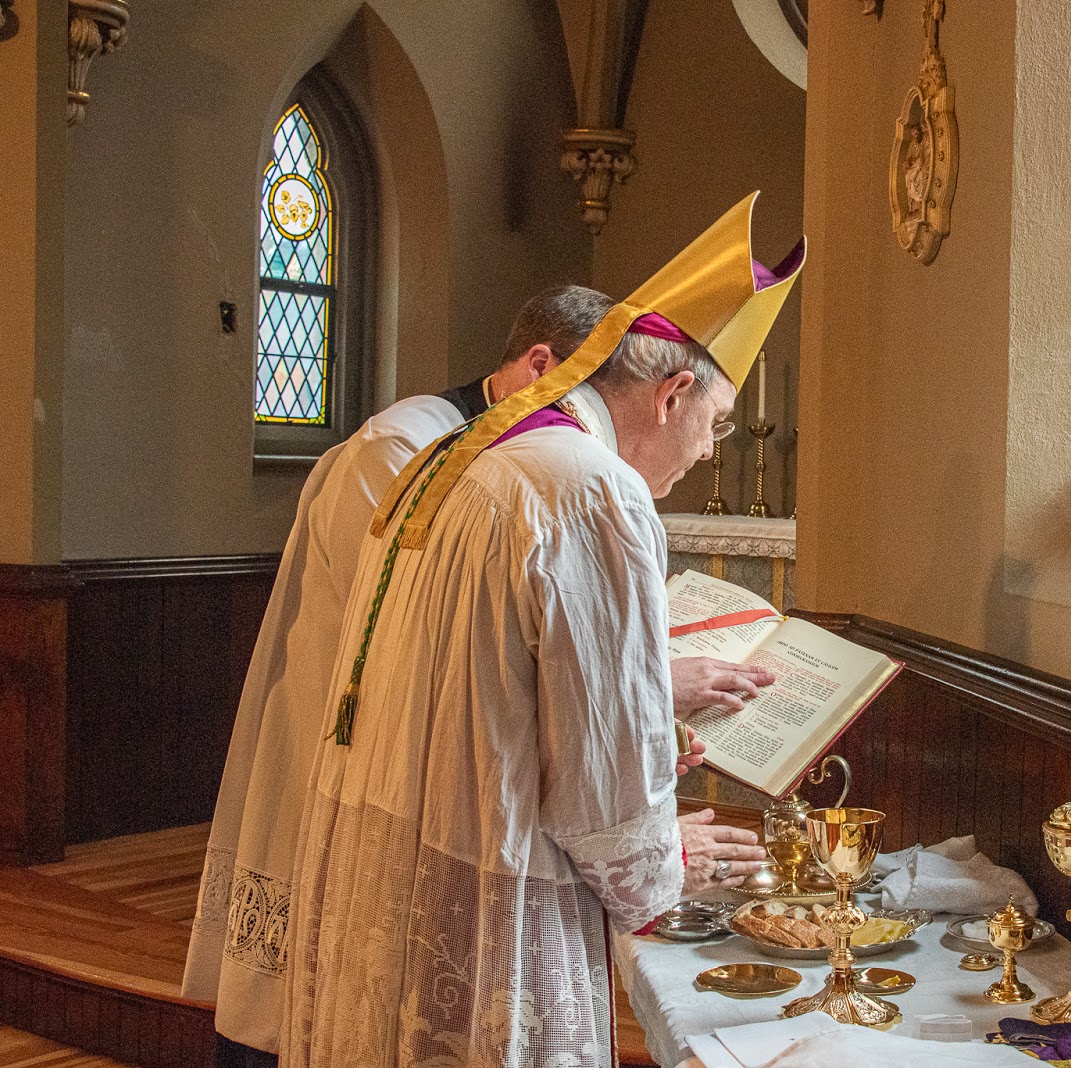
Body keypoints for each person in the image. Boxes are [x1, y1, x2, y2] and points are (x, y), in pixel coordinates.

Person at [186, 284, 774, 1066]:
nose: (709, 450)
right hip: (491, 917)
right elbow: (605, 809)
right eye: (716, 424)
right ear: (672, 396)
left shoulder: (449, 458)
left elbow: (479, 704)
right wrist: (664, 856)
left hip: (388, 887)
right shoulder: (591, 488)